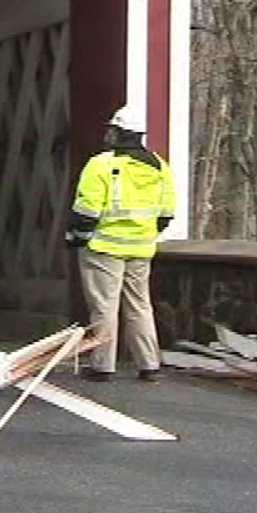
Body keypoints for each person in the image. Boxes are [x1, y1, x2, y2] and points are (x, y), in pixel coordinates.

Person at [64, 105, 174, 382]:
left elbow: (86, 212)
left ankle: (102, 365)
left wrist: (76, 237)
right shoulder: (160, 167)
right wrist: (142, 233)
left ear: (118, 133)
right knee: (140, 306)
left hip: (104, 248)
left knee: (104, 307)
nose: (107, 134)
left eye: (111, 130)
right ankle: (149, 365)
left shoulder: (101, 165)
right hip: (141, 248)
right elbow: (166, 214)